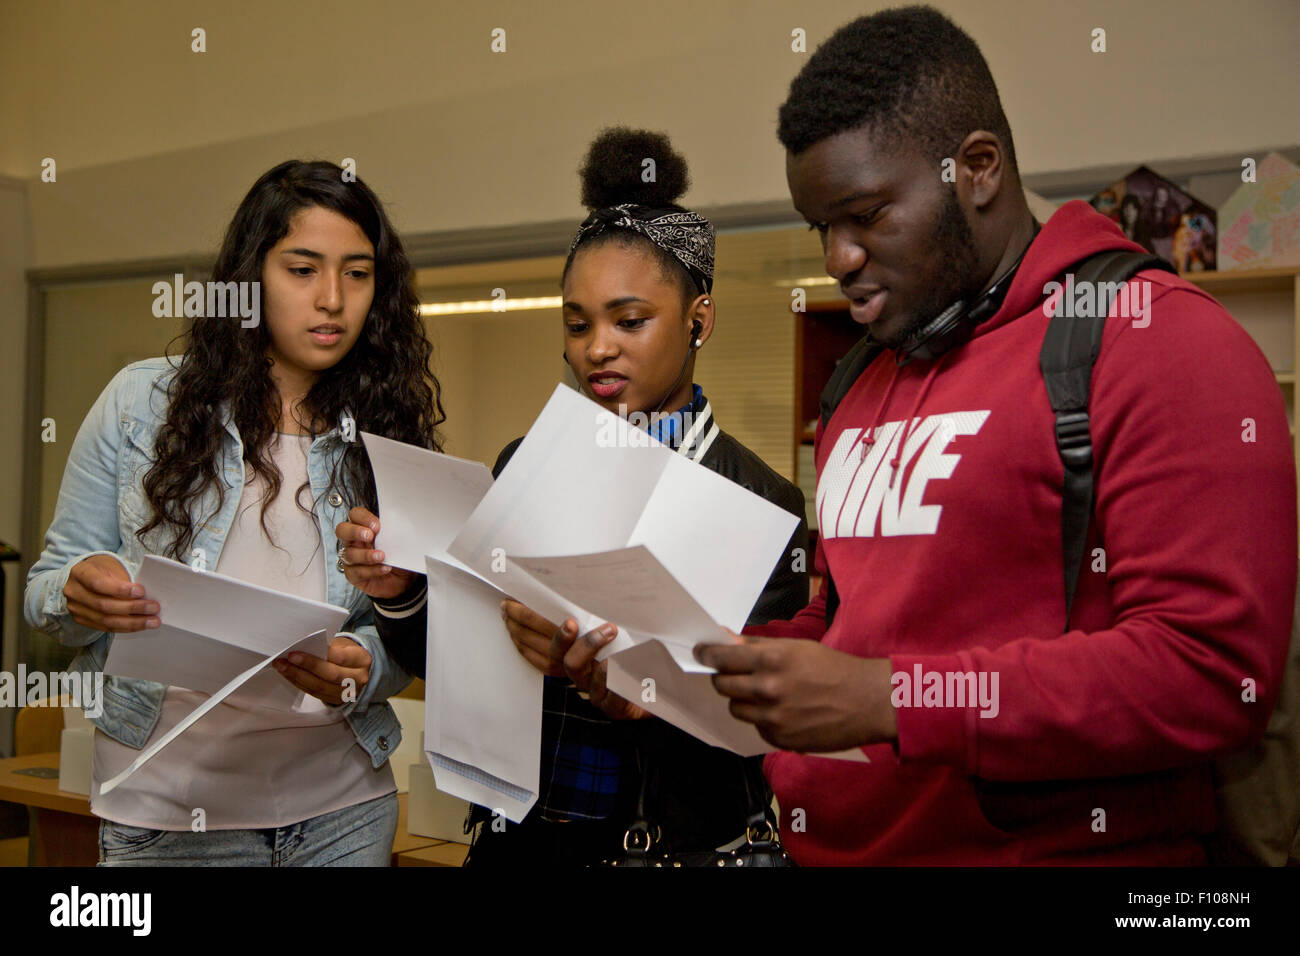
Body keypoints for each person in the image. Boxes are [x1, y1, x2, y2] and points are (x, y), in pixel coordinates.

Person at [684, 6, 1296, 864]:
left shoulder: (1156, 341)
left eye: (865, 214)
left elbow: (1209, 675)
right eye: (823, 225)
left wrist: (897, 699)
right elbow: (848, 620)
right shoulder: (863, 373)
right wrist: (690, 662)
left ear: (976, 168)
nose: (838, 257)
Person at [338, 128, 809, 865]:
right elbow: (457, 661)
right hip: (521, 841)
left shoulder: (763, 505)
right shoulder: (526, 461)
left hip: (659, 848)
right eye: (577, 322)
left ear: (699, 320)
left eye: (630, 320)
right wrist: (400, 590)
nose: (597, 347)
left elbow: (759, 737)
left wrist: (626, 689)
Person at [25, 159, 444, 866]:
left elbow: (407, 640)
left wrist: (361, 667)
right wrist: (79, 590)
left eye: (358, 273)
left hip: (344, 813)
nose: (334, 300)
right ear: (251, 279)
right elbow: (46, 590)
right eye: (303, 270)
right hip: (167, 817)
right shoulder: (140, 404)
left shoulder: (387, 430)